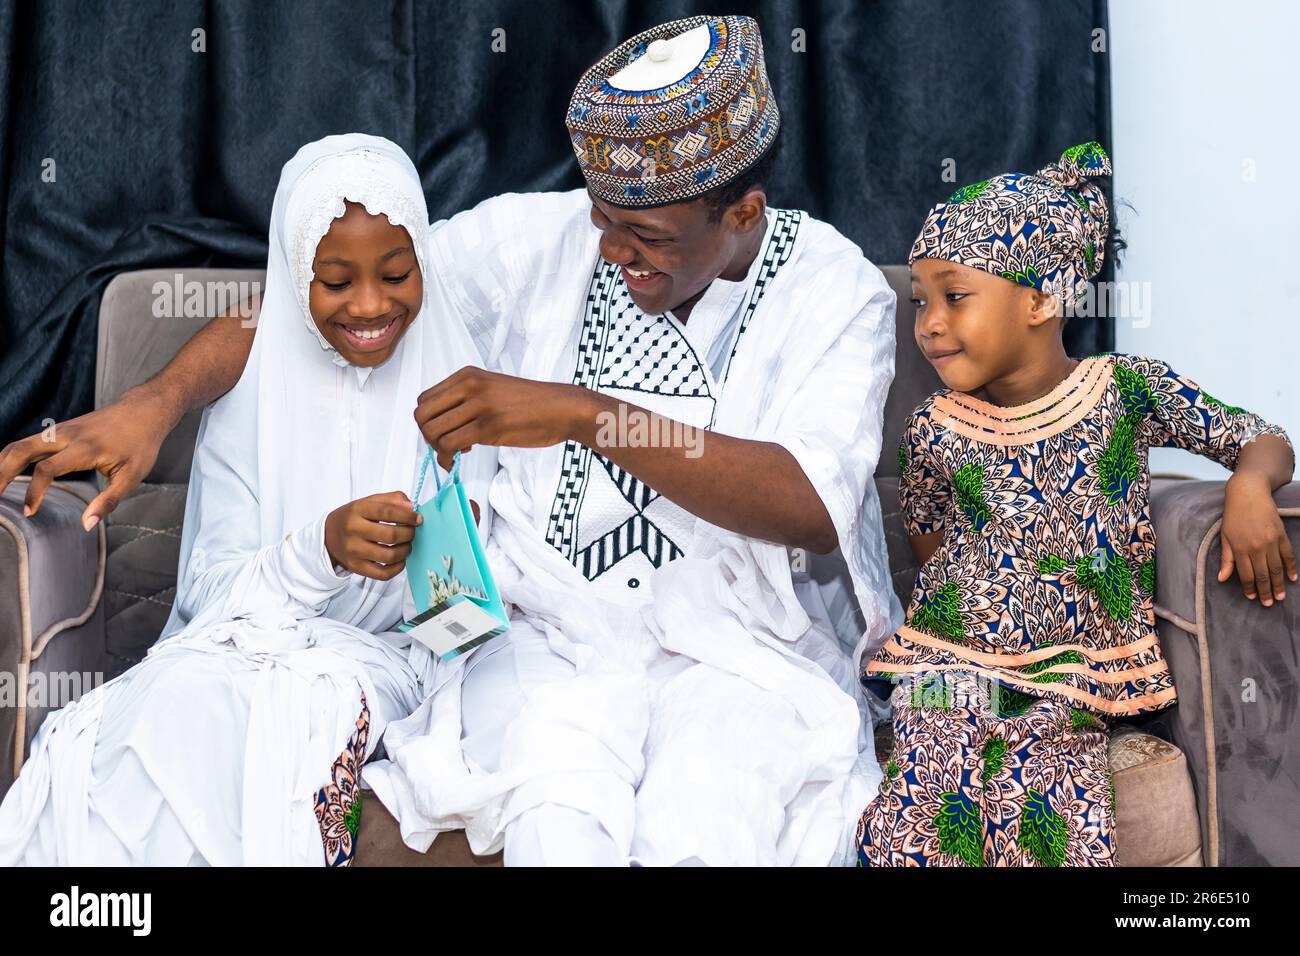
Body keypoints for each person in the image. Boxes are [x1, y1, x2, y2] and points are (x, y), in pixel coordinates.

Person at [0, 16, 901, 865]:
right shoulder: (534, 242)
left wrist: (582, 414)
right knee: (556, 808)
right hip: (553, 633)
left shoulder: (834, 292)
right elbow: (314, 305)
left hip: (742, 654)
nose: (615, 253)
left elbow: (810, 506)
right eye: (603, 221)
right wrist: (153, 404)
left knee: (710, 815)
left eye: (649, 237)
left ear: (742, 215)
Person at [0, 134, 495, 866]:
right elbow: (210, 593)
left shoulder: (461, 387)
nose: (369, 304)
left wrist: (453, 555)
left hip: (377, 669)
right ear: (296, 278)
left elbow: (461, 631)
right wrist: (319, 550)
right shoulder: (251, 397)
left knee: (289, 724)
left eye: (396, 274)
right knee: (154, 725)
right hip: (232, 651)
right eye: (334, 281)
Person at [857, 141, 1295, 866]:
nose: (929, 323)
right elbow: (929, 538)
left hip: (1070, 670)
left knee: (1045, 802)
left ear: (1041, 299)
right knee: (926, 797)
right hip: (948, 660)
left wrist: (1249, 487)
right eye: (920, 303)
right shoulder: (933, 426)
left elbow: (1261, 437)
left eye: (954, 296)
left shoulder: (1125, 391)